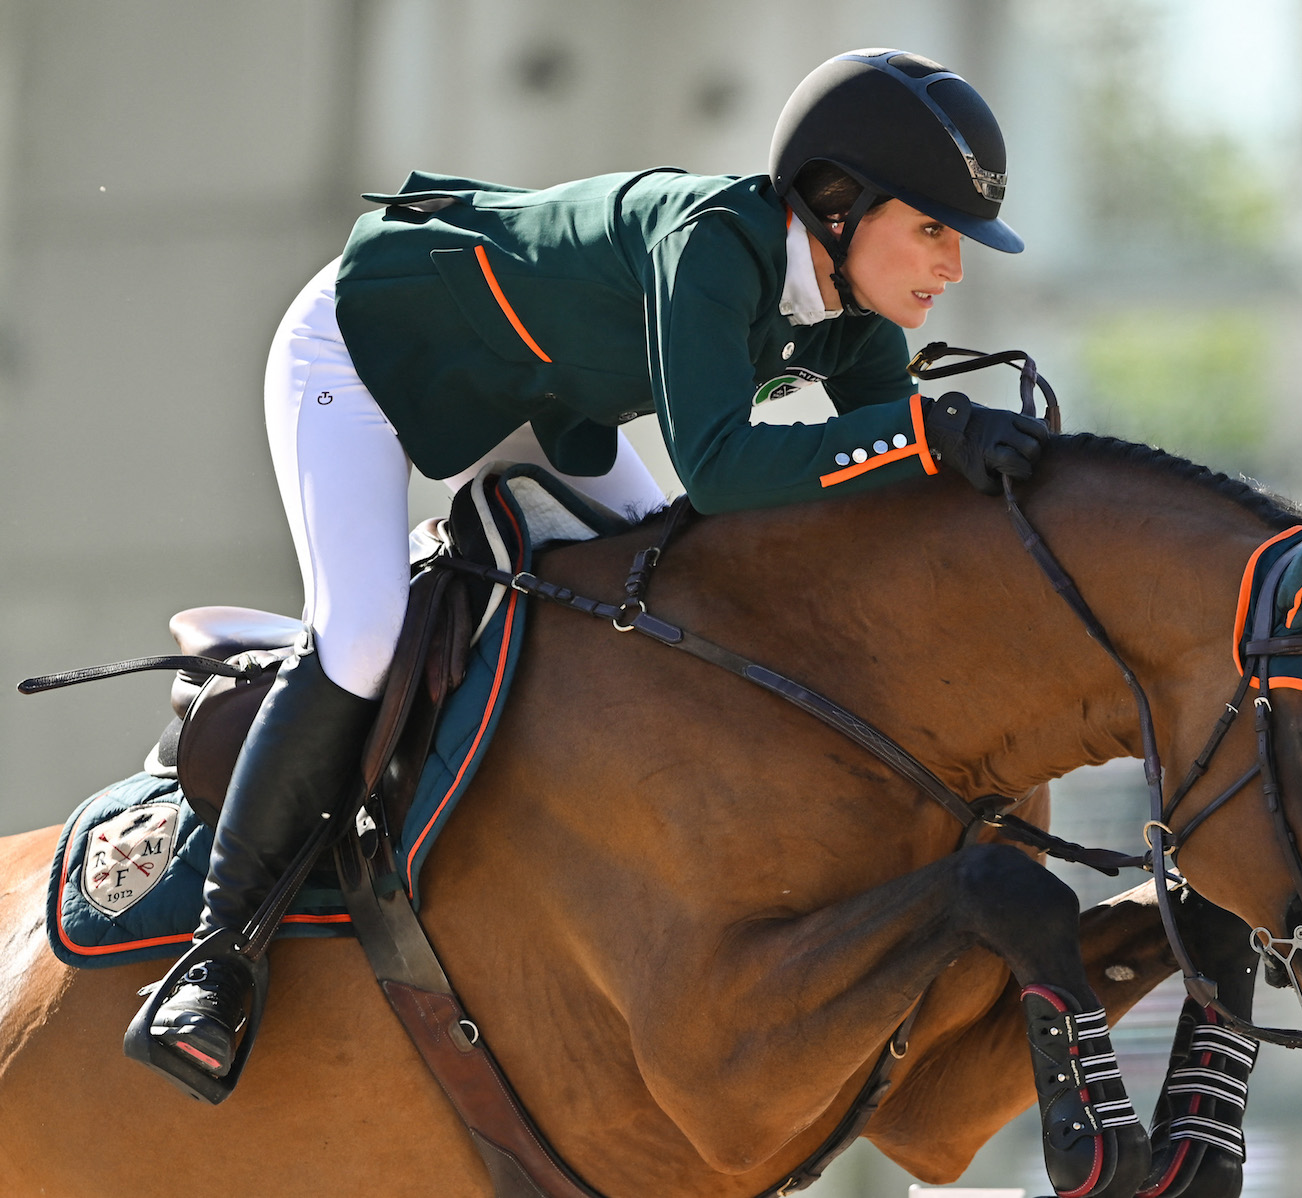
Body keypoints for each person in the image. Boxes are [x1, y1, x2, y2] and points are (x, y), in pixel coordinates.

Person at [140, 48, 1050, 1081]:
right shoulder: (713, 244)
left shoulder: (852, 318)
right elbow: (717, 470)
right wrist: (928, 438)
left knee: (678, 597)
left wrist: (1002, 490)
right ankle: (218, 960)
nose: (955, 266)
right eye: (934, 229)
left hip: (534, 400)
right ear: (839, 205)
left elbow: (891, 482)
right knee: (359, 630)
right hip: (370, 351)